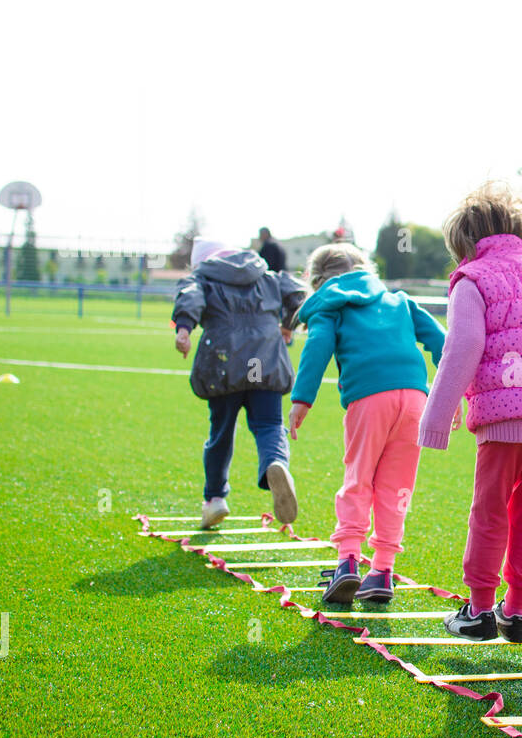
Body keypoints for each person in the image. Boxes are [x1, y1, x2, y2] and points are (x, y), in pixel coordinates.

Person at [419, 180, 522, 641]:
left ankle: (477, 610)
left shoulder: (473, 280)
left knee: (489, 511)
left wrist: (437, 416)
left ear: (466, 243)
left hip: (505, 416)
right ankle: (516, 610)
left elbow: (464, 345)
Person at [288, 244, 446, 604]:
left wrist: (302, 399)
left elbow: (318, 346)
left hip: (369, 398)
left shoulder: (331, 305)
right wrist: (452, 393)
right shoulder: (400, 301)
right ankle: (383, 571)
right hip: (415, 400)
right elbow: (443, 342)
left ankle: (347, 562)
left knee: (358, 477)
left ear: (317, 281)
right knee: (397, 486)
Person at [173, 238, 306, 529]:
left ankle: (215, 499)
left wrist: (184, 329)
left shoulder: (204, 277)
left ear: (202, 260)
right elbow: (297, 293)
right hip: (262, 361)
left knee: (221, 431)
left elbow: (190, 296)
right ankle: (276, 463)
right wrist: (288, 324)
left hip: (224, 363)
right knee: (269, 423)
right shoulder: (264, 274)